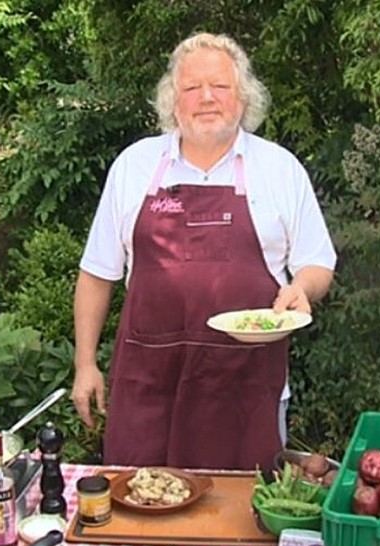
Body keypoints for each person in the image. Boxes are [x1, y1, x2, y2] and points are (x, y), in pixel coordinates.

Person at [71, 32, 336, 470]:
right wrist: (85, 364)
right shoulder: (134, 166)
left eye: (220, 86)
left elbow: (318, 262)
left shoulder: (280, 169)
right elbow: (97, 273)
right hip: (148, 387)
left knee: (244, 506)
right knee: (140, 503)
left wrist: (302, 288)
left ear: (243, 98)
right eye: (192, 87)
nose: (206, 98)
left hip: (246, 388)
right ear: (172, 102)